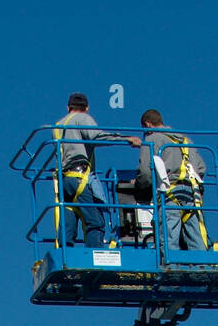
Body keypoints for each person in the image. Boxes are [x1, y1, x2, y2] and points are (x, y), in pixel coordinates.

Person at [52, 93, 140, 248]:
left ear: (68, 107)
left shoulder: (57, 127)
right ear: (86, 108)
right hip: (80, 176)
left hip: (64, 181)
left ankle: (65, 256)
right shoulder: (83, 119)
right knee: (96, 222)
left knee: (68, 223)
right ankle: (95, 257)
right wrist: (126, 139)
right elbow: (97, 137)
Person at [136, 109, 208, 252]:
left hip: (169, 194)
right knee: (197, 240)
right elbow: (201, 168)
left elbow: (145, 172)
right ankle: (202, 270)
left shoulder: (152, 139)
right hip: (192, 195)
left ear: (147, 125)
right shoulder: (186, 140)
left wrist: (140, 188)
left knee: (169, 241)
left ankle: (171, 270)